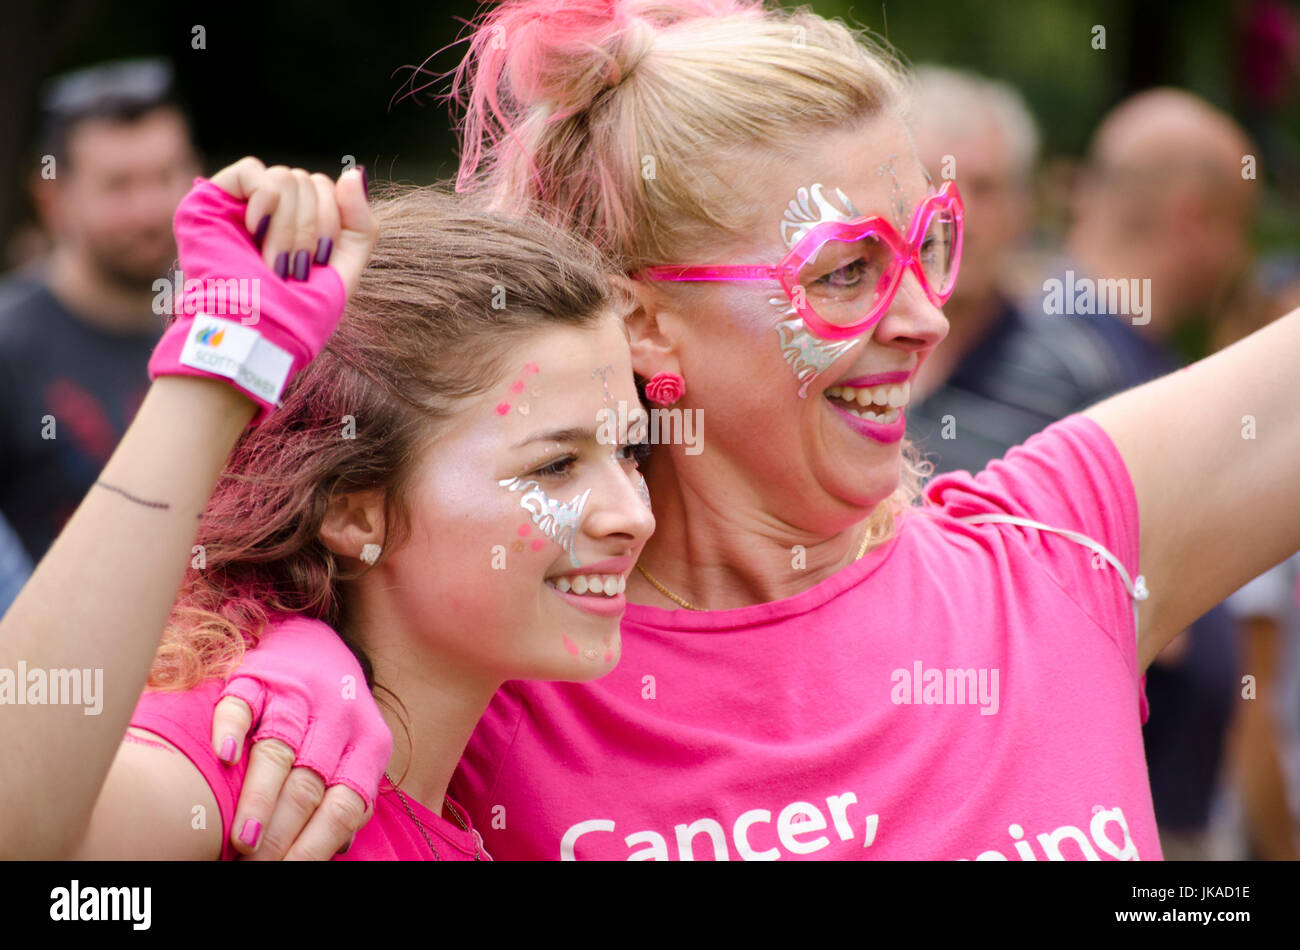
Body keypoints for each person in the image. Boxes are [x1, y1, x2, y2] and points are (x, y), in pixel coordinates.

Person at [201, 0, 1299, 861]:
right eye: (846, 271)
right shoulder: (507, 659)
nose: (922, 316)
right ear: (643, 316)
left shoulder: (1061, 547)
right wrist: (289, 651)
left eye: (931, 242)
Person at [0, 157, 654, 859]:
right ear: (353, 513)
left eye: (628, 453)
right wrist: (217, 366)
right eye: (555, 465)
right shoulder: (249, 756)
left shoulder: (505, 756)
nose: (634, 516)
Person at [1040, 88, 1260, 860]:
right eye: (1241, 227)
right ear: (1194, 217)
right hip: (1105, 821)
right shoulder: (1059, 361)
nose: (1242, 259)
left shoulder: (1124, 354)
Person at [0, 58, 200, 562]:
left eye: (164, 176)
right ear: (53, 199)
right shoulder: (10, 348)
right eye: (118, 186)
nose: (149, 209)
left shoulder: (228, 327)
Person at [904, 65, 1122, 476]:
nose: (955, 212)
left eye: (984, 188)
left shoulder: (1074, 382)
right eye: (929, 180)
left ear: (1023, 211)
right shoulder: (835, 347)